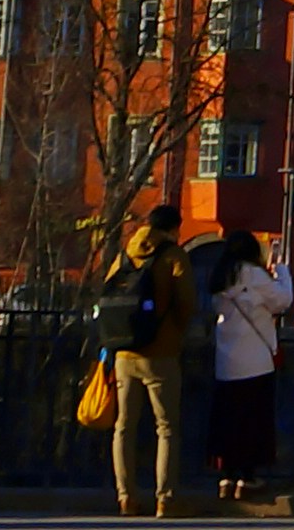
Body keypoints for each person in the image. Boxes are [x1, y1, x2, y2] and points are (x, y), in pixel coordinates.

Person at [97, 215, 187, 521]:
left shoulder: (126, 252)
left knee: (123, 427)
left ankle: (126, 498)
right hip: (160, 353)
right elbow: (187, 303)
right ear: (173, 228)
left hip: (124, 354)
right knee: (167, 428)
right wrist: (175, 332)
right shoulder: (174, 255)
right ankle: (165, 500)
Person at [199, 218, 287, 509]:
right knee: (253, 421)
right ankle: (248, 478)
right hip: (256, 362)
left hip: (226, 362)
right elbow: (283, 300)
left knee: (228, 421)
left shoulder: (221, 280)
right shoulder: (253, 275)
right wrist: (281, 270)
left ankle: (227, 475)